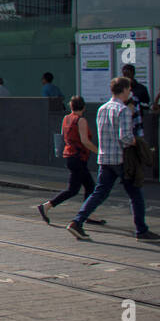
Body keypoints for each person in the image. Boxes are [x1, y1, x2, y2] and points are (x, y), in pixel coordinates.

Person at [67, 76, 160, 242]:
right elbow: (125, 137)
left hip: (105, 158)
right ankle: (142, 230)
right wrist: (139, 143)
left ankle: (77, 222)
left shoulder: (102, 109)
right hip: (122, 159)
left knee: (99, 193)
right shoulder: (123, 110)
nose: (130, 93)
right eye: (129, 90)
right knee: (136, 194)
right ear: (125, 90)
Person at [36, 95, 105, 226]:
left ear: (71, 106)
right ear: (83, 107)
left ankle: (88, 212)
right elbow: (85, 141)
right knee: (73, 189)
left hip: (70, 156)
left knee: (89, 186)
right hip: (78, 156)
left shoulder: (66, 118)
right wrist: (100, 152)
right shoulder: (81, 120)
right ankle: (47, 206)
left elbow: (64, 136)